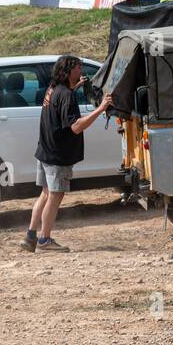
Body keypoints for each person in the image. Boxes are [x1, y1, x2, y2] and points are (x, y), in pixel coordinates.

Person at [23, 56, 113, 253]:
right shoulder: (67, 95)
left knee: (45, 194)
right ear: (69, 70)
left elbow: (61, 104)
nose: (81, 70)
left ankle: (30, 237)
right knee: (55, 196)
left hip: (44, 150)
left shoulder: (53, 89)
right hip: (58, 155)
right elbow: (76, 126)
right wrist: (100, 108)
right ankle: (44, 240)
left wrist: (75, 88)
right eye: (78, 67)